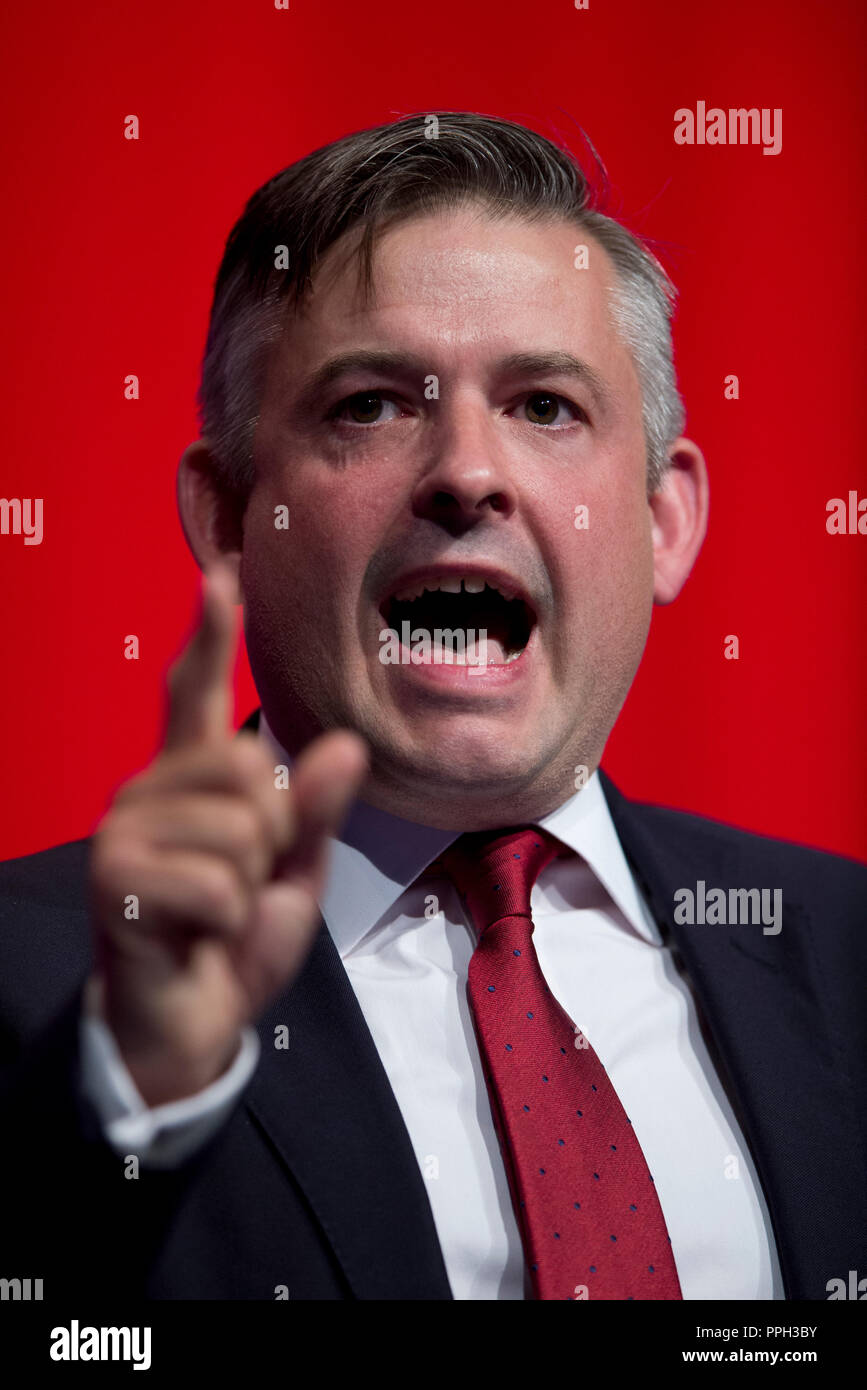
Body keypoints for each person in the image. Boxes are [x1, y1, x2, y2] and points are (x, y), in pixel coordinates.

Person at [1, 112, 864, 1302]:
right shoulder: (38, 982)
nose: (467, 469)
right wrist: (127, 1098)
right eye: (370, 405)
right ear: (227, 520)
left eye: (546, 405)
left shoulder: (844, 946)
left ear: (665, 522)